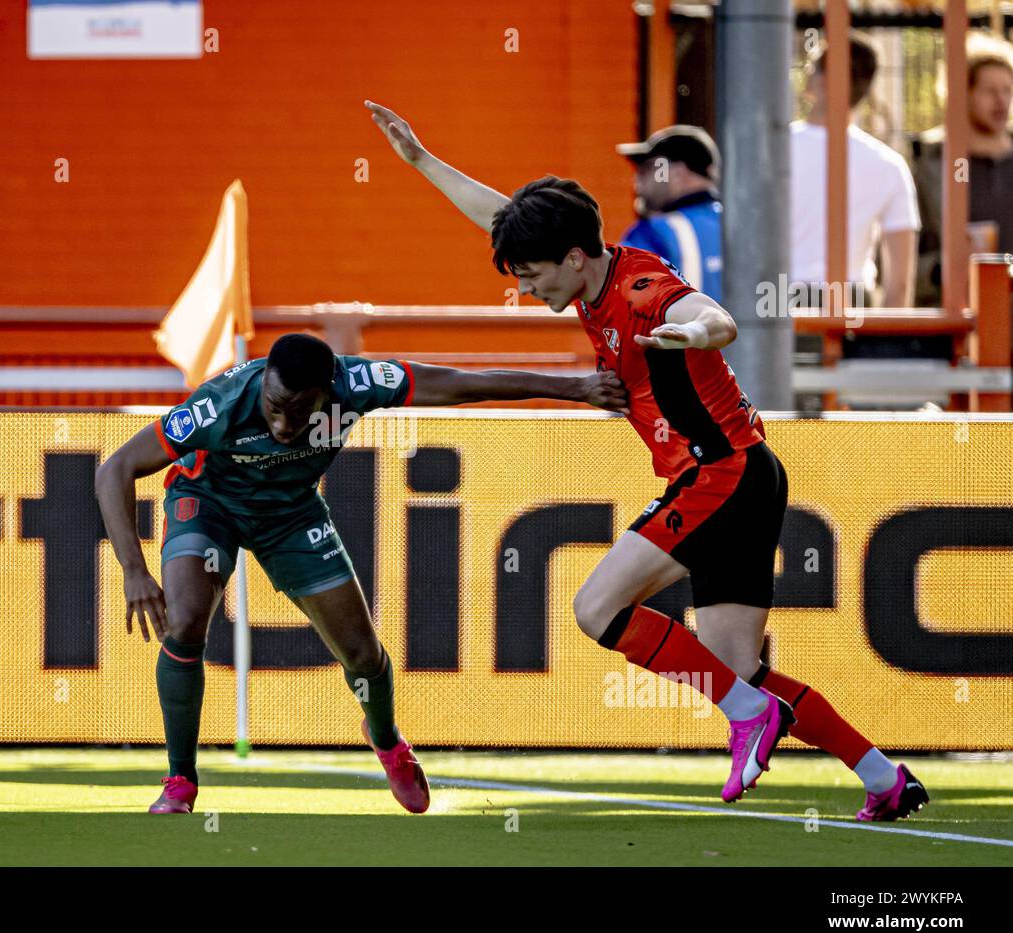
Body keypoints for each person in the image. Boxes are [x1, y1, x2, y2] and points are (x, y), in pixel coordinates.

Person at [365, 99, 929, 821]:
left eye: (533, 275)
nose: (527, 289)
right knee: (738, 670)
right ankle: (883, 777)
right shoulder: (586, 275)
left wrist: (698, 334)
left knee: (596, 607)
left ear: (572, 257)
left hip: (721, 473)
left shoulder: (640, 289)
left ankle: (748, 714)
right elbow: (501, 213)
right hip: (743, 474)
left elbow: (706, 314)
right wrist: (419, 160)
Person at [96, 333, 629, 814]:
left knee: (363, 655)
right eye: (275, 407)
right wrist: (133, 570)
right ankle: (180, 782)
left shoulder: (359, 383)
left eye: (300, 412)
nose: (284, 425)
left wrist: (576, 389)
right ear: (264, 386)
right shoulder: (218, 405)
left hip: (292, 515)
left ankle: (387, 741)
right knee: (186, 623)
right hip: (208, 505)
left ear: (329, 393)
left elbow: (463, 384)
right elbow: (114, 469)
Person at [791, 34, 920, 310]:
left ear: (824, 80)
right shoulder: (889, 164)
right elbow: (900, 283)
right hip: (854, 304)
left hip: (778, 299)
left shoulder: (773, 152)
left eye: (813, 67)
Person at [910, 32, 1013, 306]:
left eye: (1008, 90)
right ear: (962, 93)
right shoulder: (927, 160)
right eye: (991, 91)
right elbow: (900, 258)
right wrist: (942, 268)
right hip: (955, 316)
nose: (1002, 101)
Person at [616, 125, 724, 302]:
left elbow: (619, 302)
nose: (636, 181)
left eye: (646, 169)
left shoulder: (654, 232)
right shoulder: (750, 229)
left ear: (678, 172)